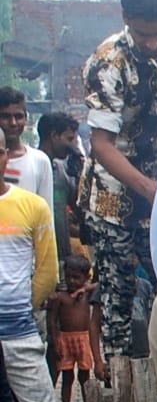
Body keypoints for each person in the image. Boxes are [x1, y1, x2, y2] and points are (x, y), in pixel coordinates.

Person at [80, 0, 157, 361]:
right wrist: (148, 187)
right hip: (113, 203)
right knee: (118, 304)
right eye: (144, 35)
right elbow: (102, 146)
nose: (154, 42)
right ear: (125, 17)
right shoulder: (107, 62)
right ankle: (117, 401)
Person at [0, 127, 74, 402]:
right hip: (16, 328)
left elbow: (48, 272)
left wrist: (19, 307)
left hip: (18, 332)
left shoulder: (31, 207)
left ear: (5, 157)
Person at [47, 254, 95, 402]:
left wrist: (85, 288)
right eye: (68, 277)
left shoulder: (86, 296)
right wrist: (55, 341)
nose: (72, 281)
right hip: (65, 339)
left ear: (86, 277)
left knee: (84, 376)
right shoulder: (60, 297)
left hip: (83, 339)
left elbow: (100, 285)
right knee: (67, 376)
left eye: (77, 278)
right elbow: (52, 321)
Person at [37, 111, 81, 280]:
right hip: (38, 252)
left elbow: (77, 206)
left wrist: (78, 176)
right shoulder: (32, 165)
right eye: (69, 139)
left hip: (61, 252)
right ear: (54, 135)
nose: (72, 146)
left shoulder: (62, 170)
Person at [0, 88, 53, 212]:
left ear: (26, 119)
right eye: (5, 116)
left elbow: (46, 212)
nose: (13, 123)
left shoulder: (39, 161)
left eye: (18, 116)